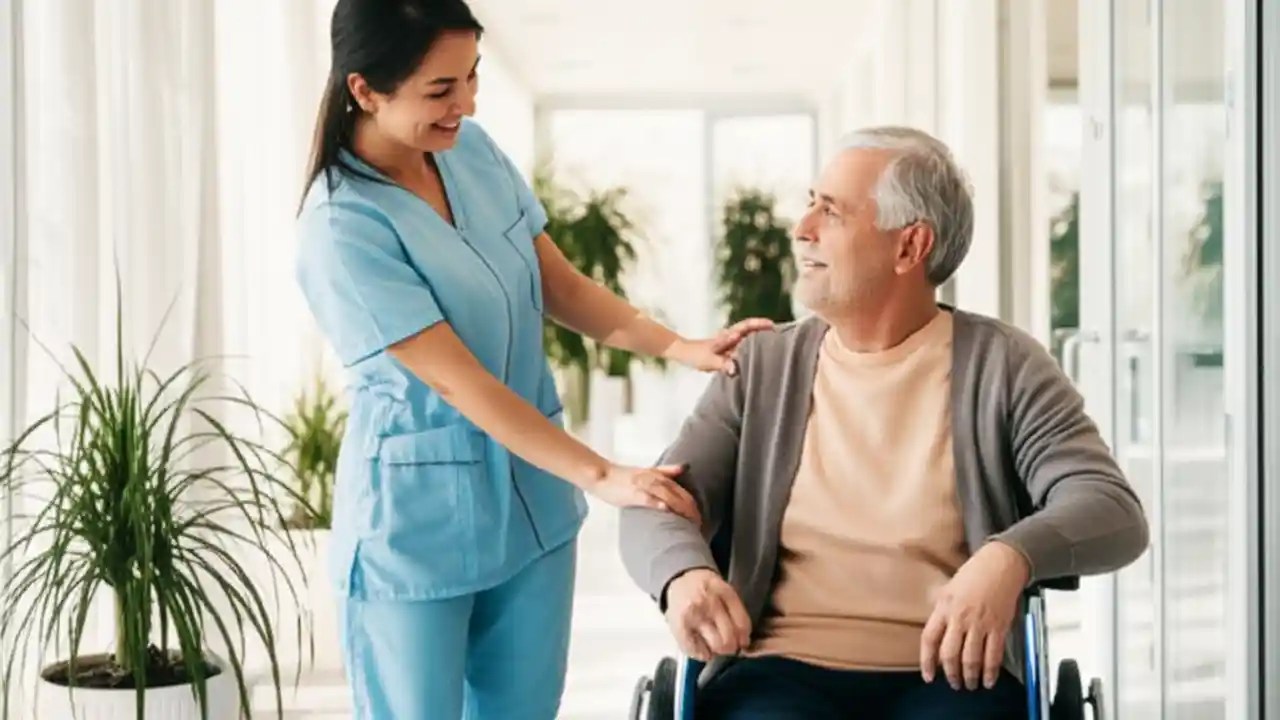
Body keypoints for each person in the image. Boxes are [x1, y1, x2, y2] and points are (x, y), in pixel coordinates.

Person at [293, 2, 771, 718]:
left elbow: (558, 284)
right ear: (365, 90)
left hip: (533, 510)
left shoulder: (473, 151)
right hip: (417, 532)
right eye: (440, 90)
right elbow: (458, 382)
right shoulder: (340, 227)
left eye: (472, 77)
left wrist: (679, 346)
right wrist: (606, 472)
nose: (467, 103)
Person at [619, 126, 1150, 719]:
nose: (802, 229)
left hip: (953, 672)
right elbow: (656, 501)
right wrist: (682, 576)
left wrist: (1010, 557)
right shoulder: (763, 366)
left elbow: (1112, 511)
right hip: (777, 669)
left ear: (909, 247)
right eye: (809, 203)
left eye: (832, 212)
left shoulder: (1006, 366)